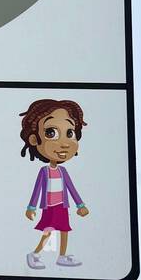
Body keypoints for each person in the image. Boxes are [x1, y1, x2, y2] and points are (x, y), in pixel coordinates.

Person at [19, 98, 89, 270]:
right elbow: (37, 190)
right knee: (48, 231)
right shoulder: (44, 171)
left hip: (62, 206)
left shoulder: (63, 172)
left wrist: (80, 205)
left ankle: (62, 256)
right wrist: (31, 207)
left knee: (65, 229)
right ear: (35, 139)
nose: (64, 143)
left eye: (70, 133)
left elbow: (71, 189)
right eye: (51, 133)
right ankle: (35, 254)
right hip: (49, 206)